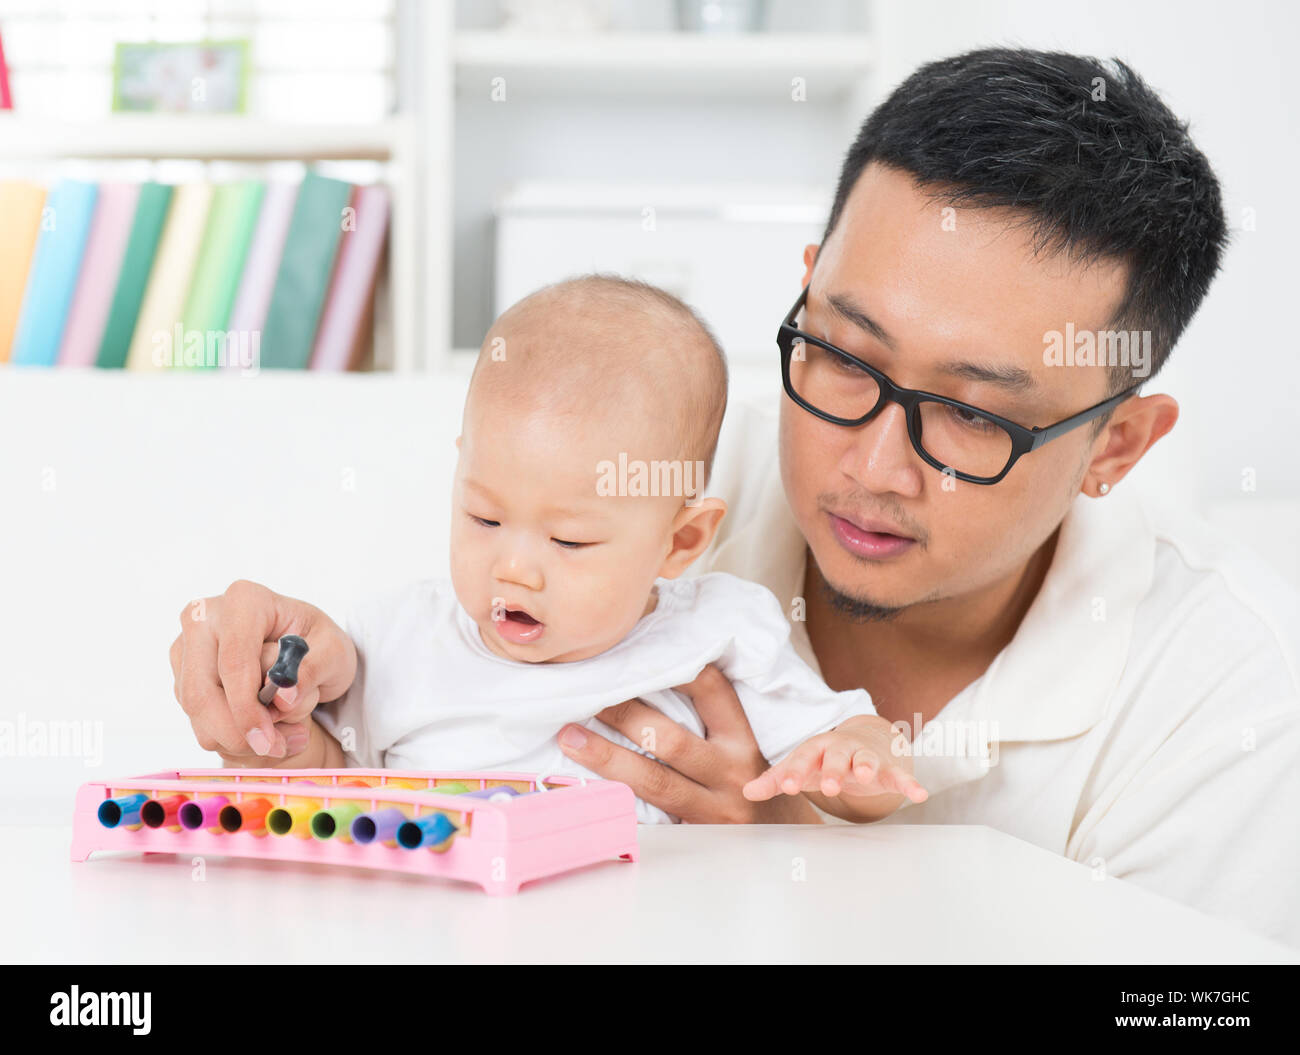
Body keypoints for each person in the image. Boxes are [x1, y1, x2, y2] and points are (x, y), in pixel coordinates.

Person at [553, 49, 1300, 946]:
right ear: (807, 289)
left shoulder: (1233, 699)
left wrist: (805, 879)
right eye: (845, 354)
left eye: (973, 416)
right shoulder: (656, 484)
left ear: (1117, 444)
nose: (873, 468)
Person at [170, 274, 925, 826]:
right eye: (485, 518)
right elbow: (334, 783)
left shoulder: (719, 630)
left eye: (569, 539)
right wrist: (282, 738)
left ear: (681, 540)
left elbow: (844, 764)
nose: (515, 567)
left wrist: (859, 757)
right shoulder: (396, 638)